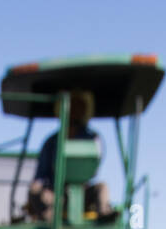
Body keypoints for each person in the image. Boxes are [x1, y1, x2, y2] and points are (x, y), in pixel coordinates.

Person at [27, 89, 113, 221]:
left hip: (83, 193)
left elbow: (93, 170)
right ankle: (51, 225)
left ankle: (105, 219)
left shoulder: (93, 139)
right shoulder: (51, 141)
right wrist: (40, 189)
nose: (75, 110)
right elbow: (41, 175)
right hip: (55, 195)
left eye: (80, 106)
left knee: (103, 188)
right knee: (35, 191)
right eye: (72, 106)